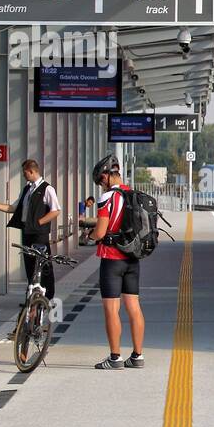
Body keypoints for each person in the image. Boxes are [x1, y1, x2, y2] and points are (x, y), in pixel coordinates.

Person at [88, 154, 144, 370]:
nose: (101, 186)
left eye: (100, 181)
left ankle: (115, 358)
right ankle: (137, 356)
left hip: (112, 259)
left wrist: (90, 236)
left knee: (112, 309)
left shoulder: (107, 198)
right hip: (132, 258)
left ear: (105, 176)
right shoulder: (132, 193)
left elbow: (101, 230)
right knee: (134, 307)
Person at [0, 159, 61, 302]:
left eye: (25, 172)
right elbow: (13, 208)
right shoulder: (27, 189)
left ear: (31, 171)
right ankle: (31, 297)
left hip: (39, 234)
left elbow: (56, 211)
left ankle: (47, 296)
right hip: (27, 232)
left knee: (43, 264)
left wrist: (38, 222)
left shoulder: (47, 189)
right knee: (30, 265)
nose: (23, 175)